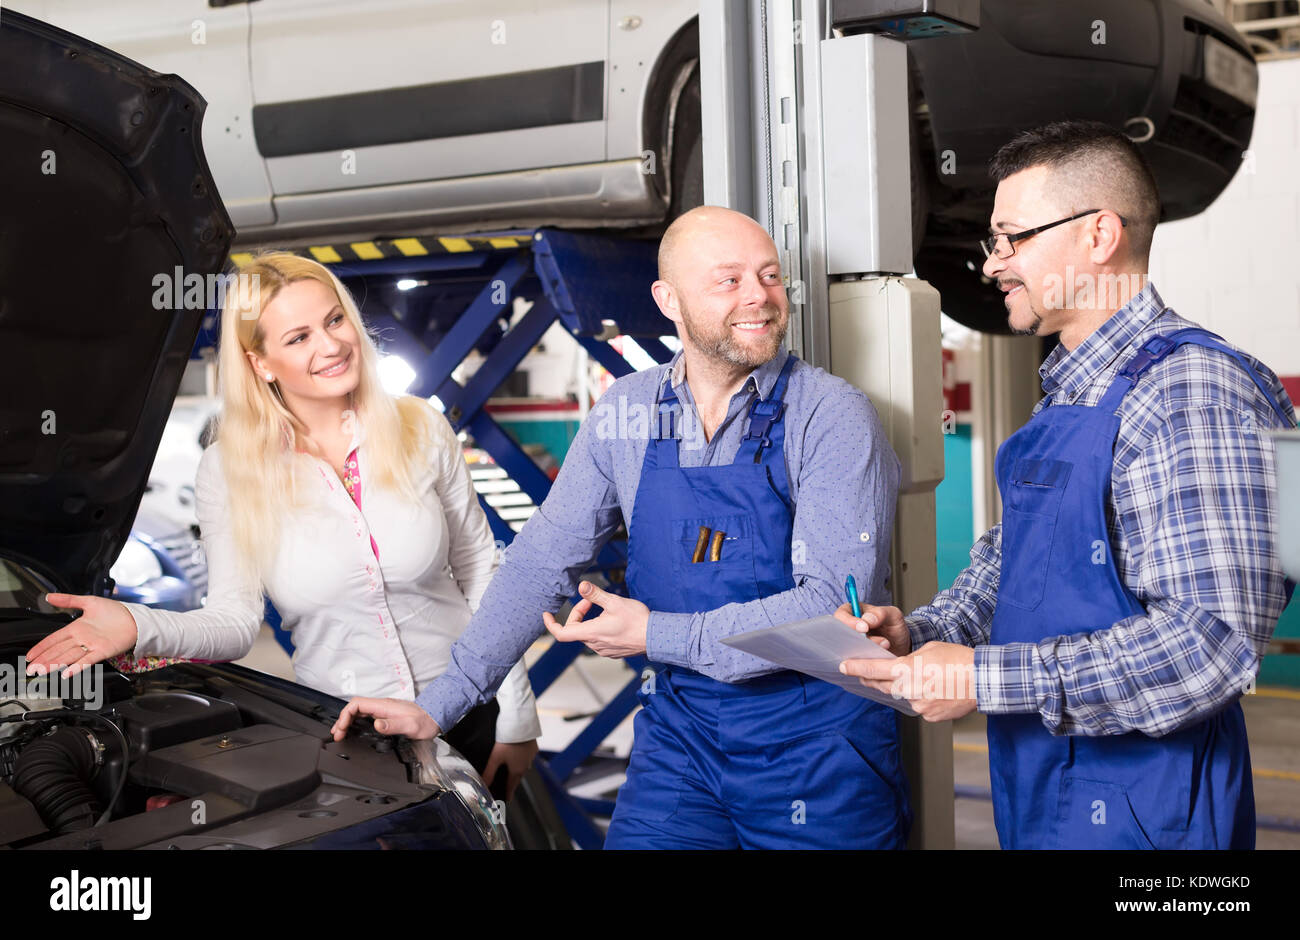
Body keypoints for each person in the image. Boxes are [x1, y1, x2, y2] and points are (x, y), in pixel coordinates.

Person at [333, 206, 912, 849]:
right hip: (682, 750)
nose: (760, 296)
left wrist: (654, 633)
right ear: (668, 299)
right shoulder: (628, 413)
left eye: (770, 276)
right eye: (730, 280)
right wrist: (439, 707)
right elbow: (541, 563)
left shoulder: (830, 417)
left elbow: (828, 611)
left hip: (816, 751)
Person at [837, 120, 1295, 849]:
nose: (993, 266)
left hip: (1155, 820)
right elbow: (1011, 567)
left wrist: (984, 681)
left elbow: (1208, 648)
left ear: (1098, 235)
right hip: (1045, 794)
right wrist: (923, 635)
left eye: (1012, 238)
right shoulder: (1072, 395)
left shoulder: (1193, 392)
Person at [25, 252, 541, 797]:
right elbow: (235, 621)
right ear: (260, 363)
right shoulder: (228, 470)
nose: (331, 345)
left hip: (468, 716)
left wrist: (517, 719)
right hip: (349, 736)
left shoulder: (422, 427)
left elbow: (484, 576)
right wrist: (138, 625)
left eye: (335, 319)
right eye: (298, 338)